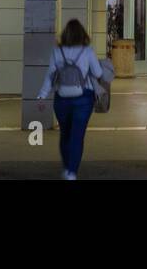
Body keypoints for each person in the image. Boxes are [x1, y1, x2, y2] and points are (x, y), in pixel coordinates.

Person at [37, 19, 105, 179]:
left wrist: (42, 95)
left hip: (62, 99)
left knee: (65, 134)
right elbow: (98, 73)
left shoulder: (57, 51)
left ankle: (67, 167)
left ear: (65, 34)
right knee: (77, 136)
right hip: (83, 98)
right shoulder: (87, 50)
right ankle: (72, 172)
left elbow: (50, 75)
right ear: (82, 34)